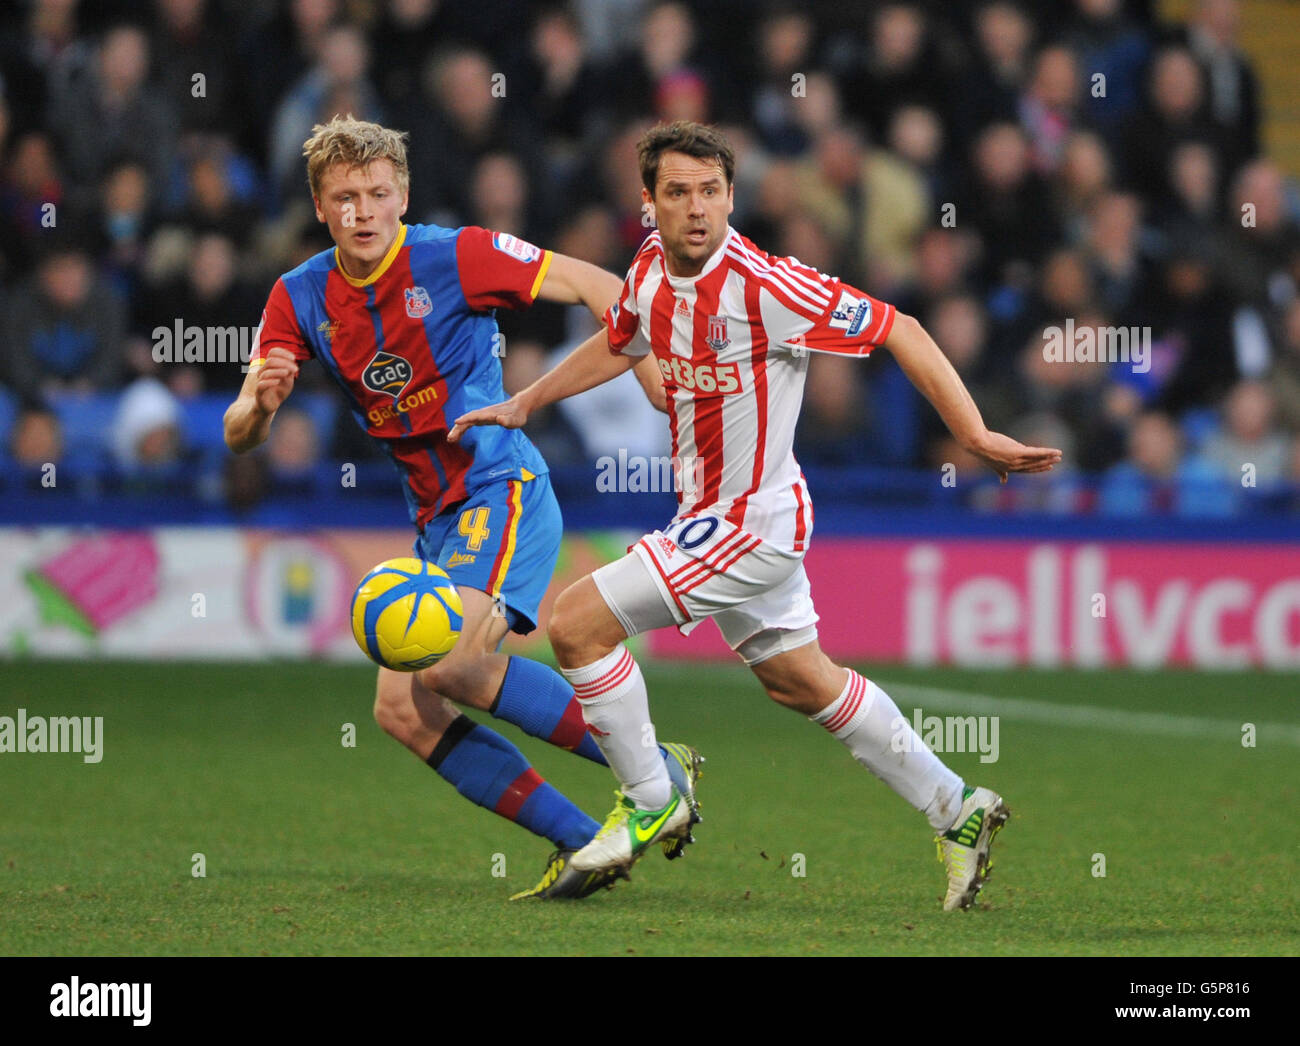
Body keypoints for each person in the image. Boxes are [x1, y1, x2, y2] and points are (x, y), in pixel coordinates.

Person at [450, 120, 1062, 911]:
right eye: (678, 193)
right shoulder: (646, 270)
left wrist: (974, 434)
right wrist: (530, 399)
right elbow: (622, 340)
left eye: (711, 192)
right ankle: (957, 809)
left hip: (751, 522)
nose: (697, 208)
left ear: (732, 197)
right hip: (710, 516)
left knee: (575, 623)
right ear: (650, 205)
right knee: (802, 683)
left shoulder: (769, 286)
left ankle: (649, 796)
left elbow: (901, 328)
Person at [223, 116, 702, 901]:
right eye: (345, 197)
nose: (364, 211)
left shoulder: (456, 256)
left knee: (452, 661)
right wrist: (258, 406)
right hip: (437, 519)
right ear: (320, 206)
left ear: (402, 196)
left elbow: (599, 286)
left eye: (378, 193)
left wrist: (649, 374)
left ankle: (659, 766)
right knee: (401, 710)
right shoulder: (298, 297)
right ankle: (585, 841)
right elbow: (240, 437)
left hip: (500, 487)